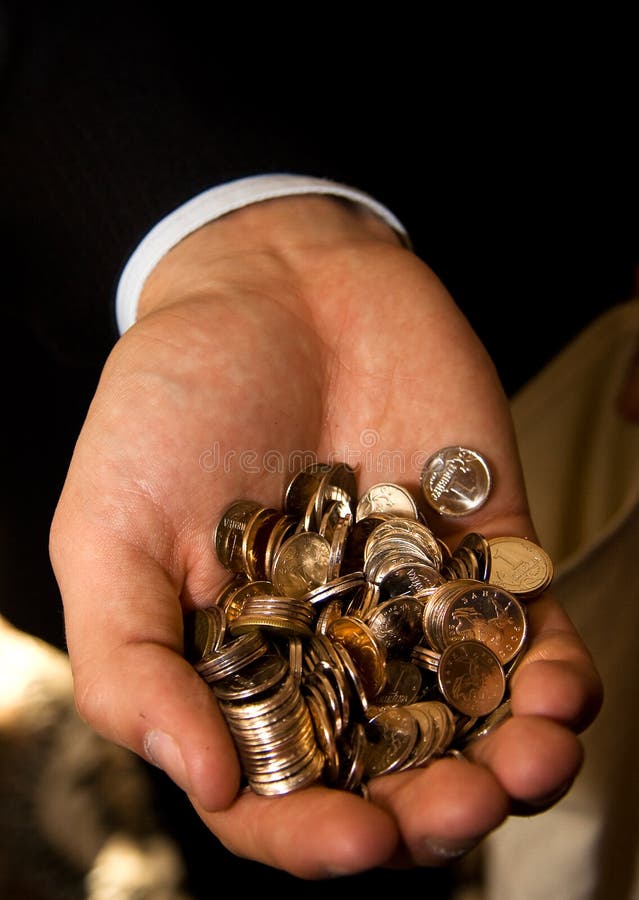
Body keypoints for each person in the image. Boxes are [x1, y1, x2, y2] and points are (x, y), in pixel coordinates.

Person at [2, 3, 633, 894]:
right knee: (209, 746)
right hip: (63, 295)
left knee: (430, 801)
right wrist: (225, 241)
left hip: (526, 242)